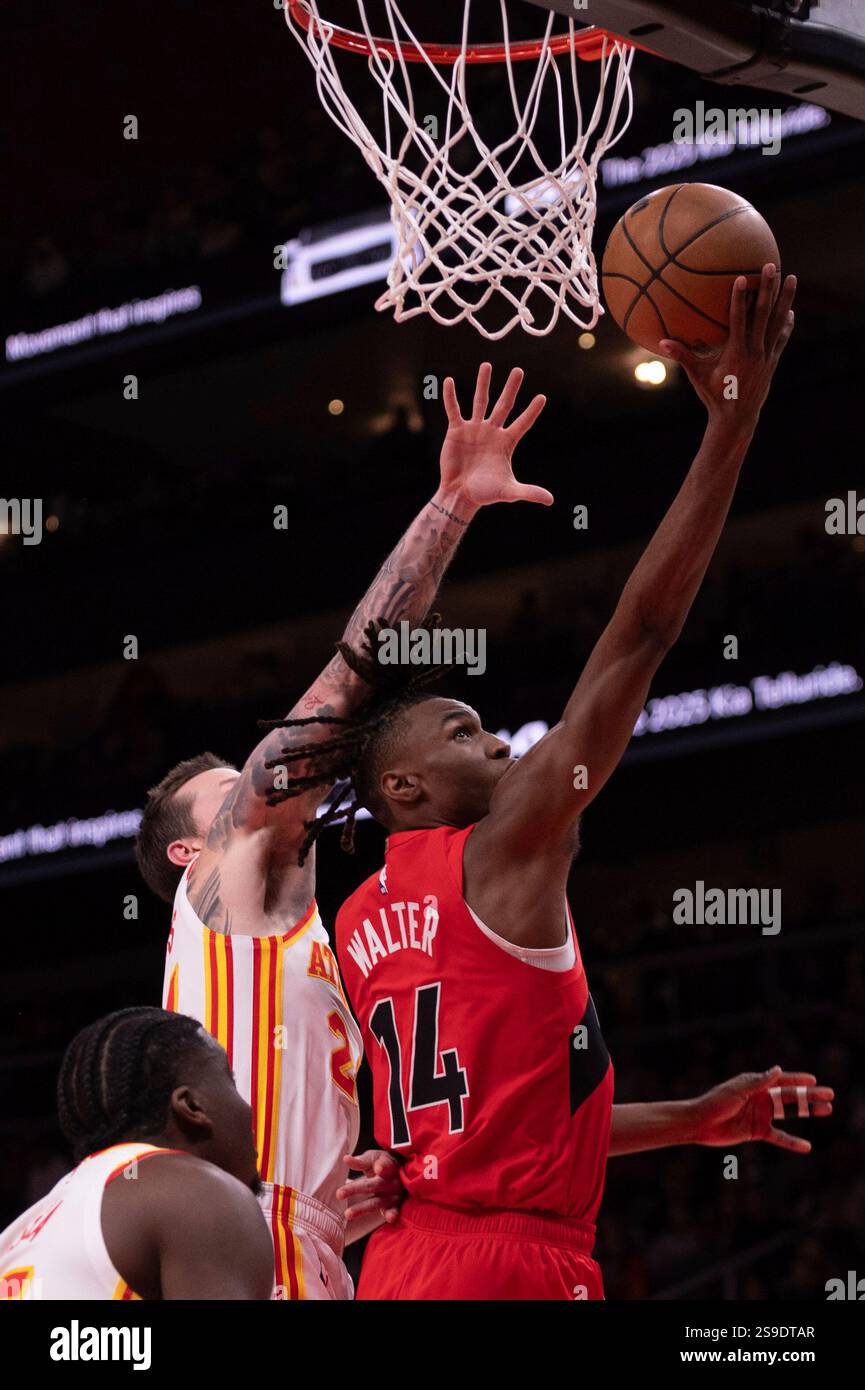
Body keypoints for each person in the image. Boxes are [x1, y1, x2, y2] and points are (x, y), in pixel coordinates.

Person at [263, 268, 833, 1299]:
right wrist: (730, 427)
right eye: (464, 730)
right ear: (400, 786)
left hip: (408, 1261)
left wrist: (696, 1116)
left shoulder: (358, 918)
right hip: (510, 1267)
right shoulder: (512, 841)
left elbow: (505, 1132)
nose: (498, 744)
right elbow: (641, 638)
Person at [133, 364, 551, 1298]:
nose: (253, 788)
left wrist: (358, 1179)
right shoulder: (222, 895)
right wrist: (447, 509)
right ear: (189, 854)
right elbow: (347, 685)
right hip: (238, 1234)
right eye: (226, 790)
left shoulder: (315, 939)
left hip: (302, 1244)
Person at [0, 1008, 274, 1300]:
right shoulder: (199, 1195)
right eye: (230, 1080)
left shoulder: (22, 1233)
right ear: (192, 1106)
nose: (249, 1109)